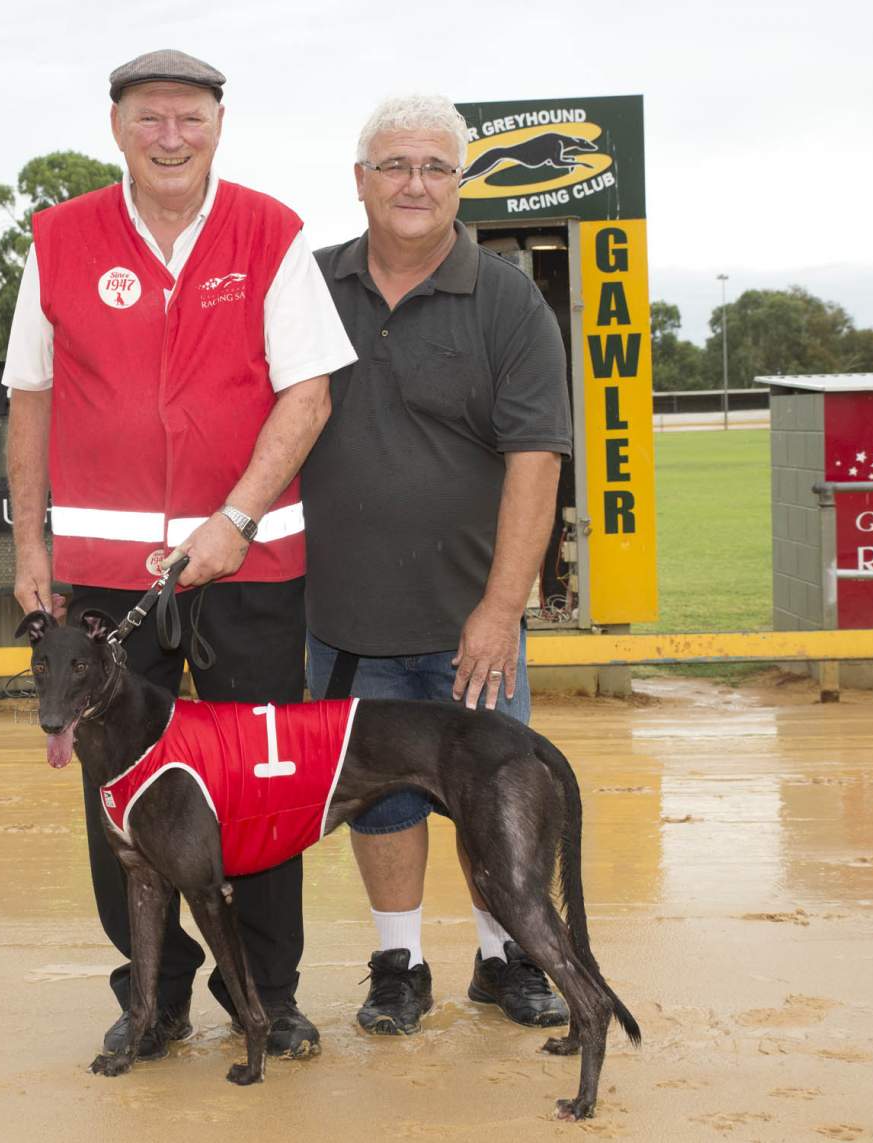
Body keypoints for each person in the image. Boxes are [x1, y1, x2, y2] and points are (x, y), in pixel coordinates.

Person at [3, 49, 356, 1061]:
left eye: (190, 117)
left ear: (218, 126)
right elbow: (29, 400)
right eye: (150, 118)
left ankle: (270, 997)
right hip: (107, 580)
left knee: (264, 784)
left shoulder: (271, 231)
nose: (171, 137)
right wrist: (28, 542)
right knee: (119, 792)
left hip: (251, 563)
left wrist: (235, 517)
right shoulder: (58, 239)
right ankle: (152, 999)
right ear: (117, 128)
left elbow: (309, 394)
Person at [301, 95, 574, 1035]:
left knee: (496, 798)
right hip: (345, 617)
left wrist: (501, 608)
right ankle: (399, 965)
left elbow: (537, 460)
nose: (413, 184)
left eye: (434, 167)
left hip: (471, 621)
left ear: (460, 182)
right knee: (379, 804)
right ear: (360, 180)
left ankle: (505, 960)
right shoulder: (308, 288)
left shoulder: (507, 299)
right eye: (394, 165)